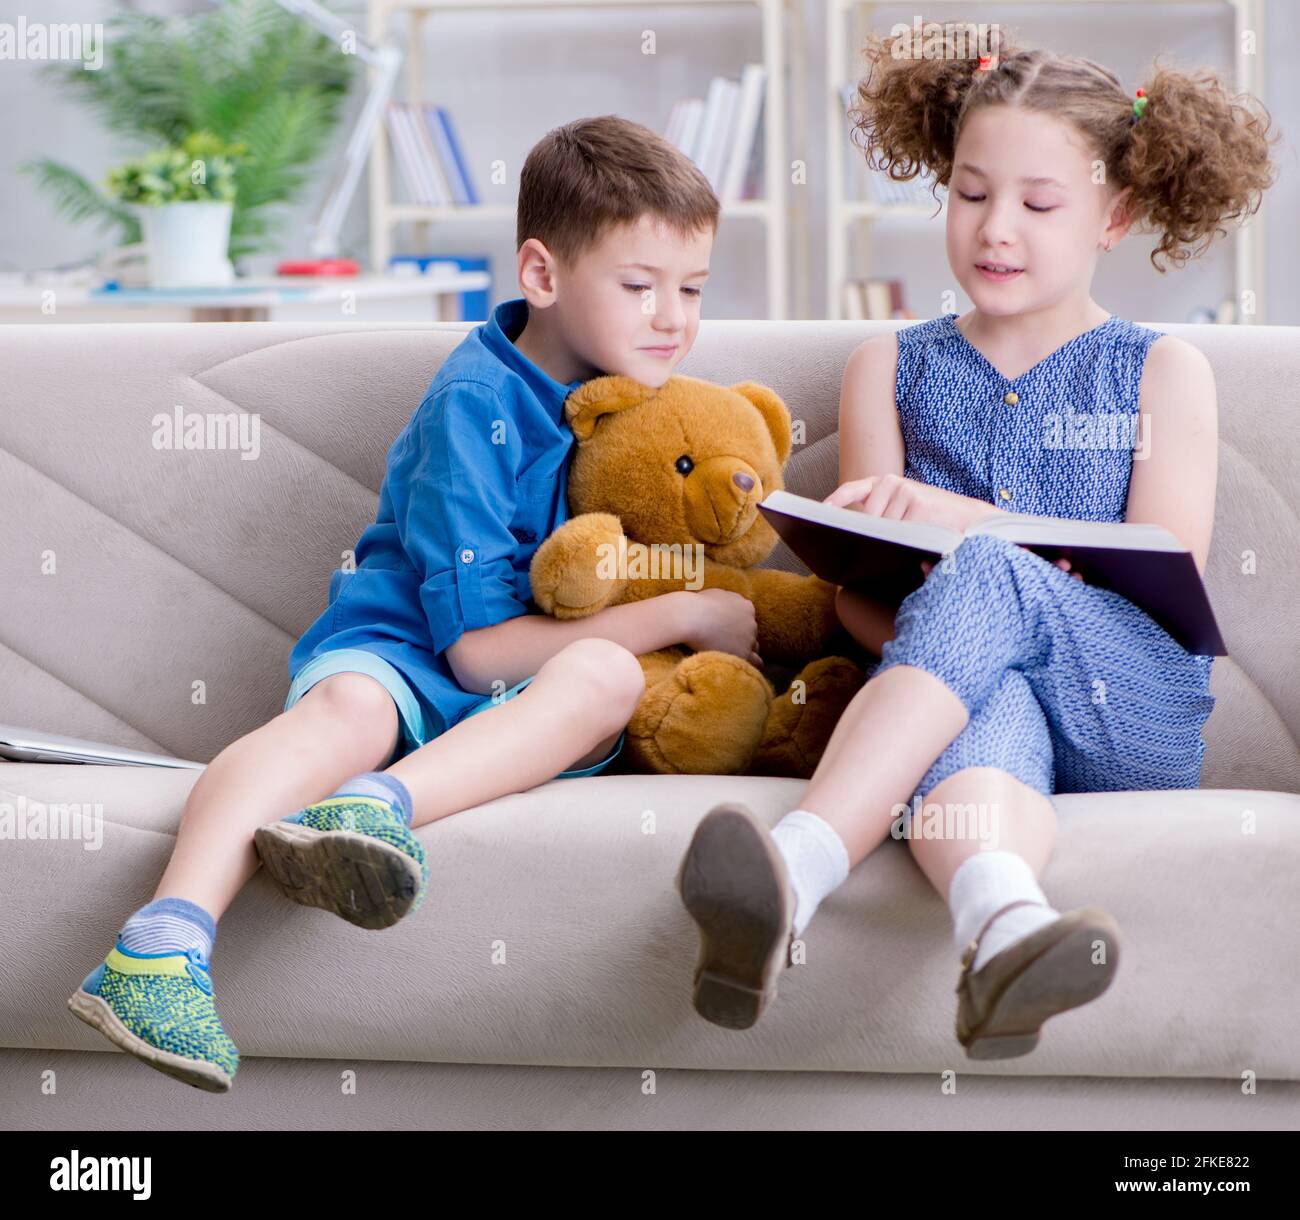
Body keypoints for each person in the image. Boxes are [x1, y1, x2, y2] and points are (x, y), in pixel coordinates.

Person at [67, 115, 761, 1092]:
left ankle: (376, 808)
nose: (671, 317)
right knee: (349, 709)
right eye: (640, 286)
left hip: (523, 696)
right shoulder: (476, 400)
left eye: (690, 289)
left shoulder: (645, 401)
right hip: (410, 651)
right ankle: (164, 940)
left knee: (602, 675)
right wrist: (681, 612)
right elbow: (474, 653)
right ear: (544, 274)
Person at [677, 23, 1278, 1058]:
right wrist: (932, 579)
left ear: (1114, 214)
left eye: (1039, 204)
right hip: (953, 690)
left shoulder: (1159, 368)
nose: (995, 227)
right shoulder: (889, 367)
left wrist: (975, 528)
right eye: (968, 193)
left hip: (1128, 698)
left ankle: (800, 861)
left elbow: (1161, 566)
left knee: (987, 573)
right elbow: (865, 592)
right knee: (979, 691)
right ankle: (1004, 929)